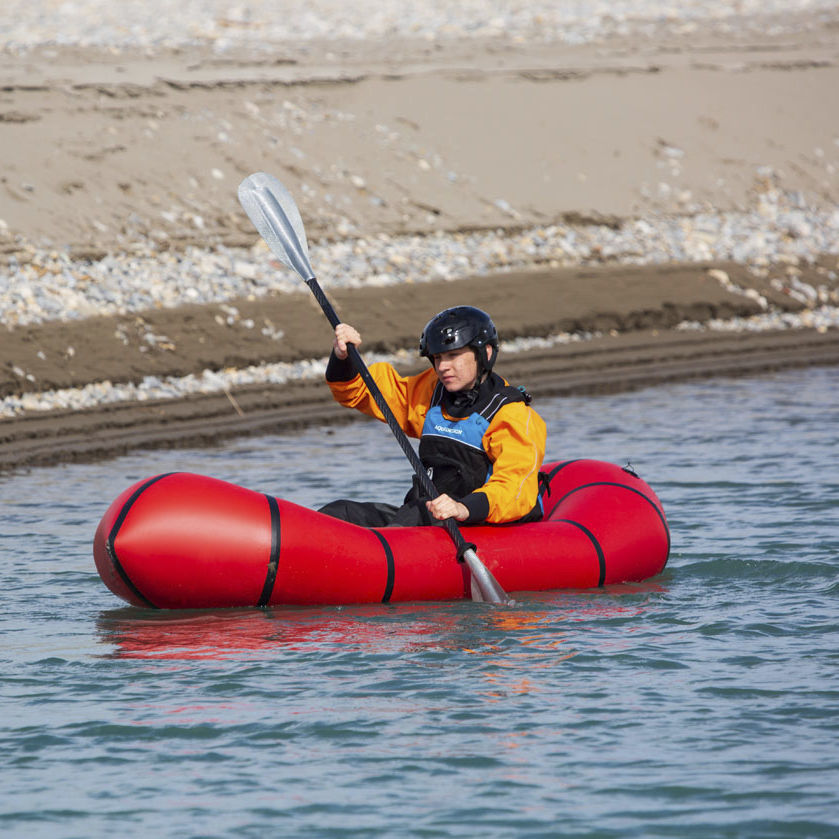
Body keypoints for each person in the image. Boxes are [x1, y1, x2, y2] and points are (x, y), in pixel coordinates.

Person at [318, 306, 547, 527]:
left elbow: (515, 485)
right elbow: (362, 393)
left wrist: (463, 508)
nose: (443, 367)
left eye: (453, 355)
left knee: (414, 513)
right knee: (341, 512)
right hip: (427, 516)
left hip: (476, 522)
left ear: (485, 353)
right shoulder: (432, 392)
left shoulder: (512, 415)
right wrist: (343, 358)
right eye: (438, 358)